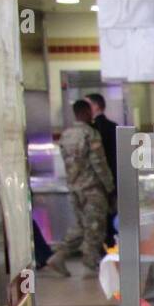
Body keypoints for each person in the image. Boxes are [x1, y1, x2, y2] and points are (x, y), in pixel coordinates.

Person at [46, 99, 114, 276]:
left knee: (81, 225)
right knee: (95, 225)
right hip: (91, 187)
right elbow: (98, 163)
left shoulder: (66, 135)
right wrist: (109, 186)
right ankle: (90, 264)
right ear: (86, 113)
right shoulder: (90, 134)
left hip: (74, 187)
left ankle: (59, 255)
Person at [85, 93, 119, 240]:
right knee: (112, 215)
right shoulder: (114, 127)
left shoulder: (92, 130)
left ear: (96, 106)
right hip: (115, 177)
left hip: (99, 181)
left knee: (100, 219)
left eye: (88, 105)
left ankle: (106, 250)